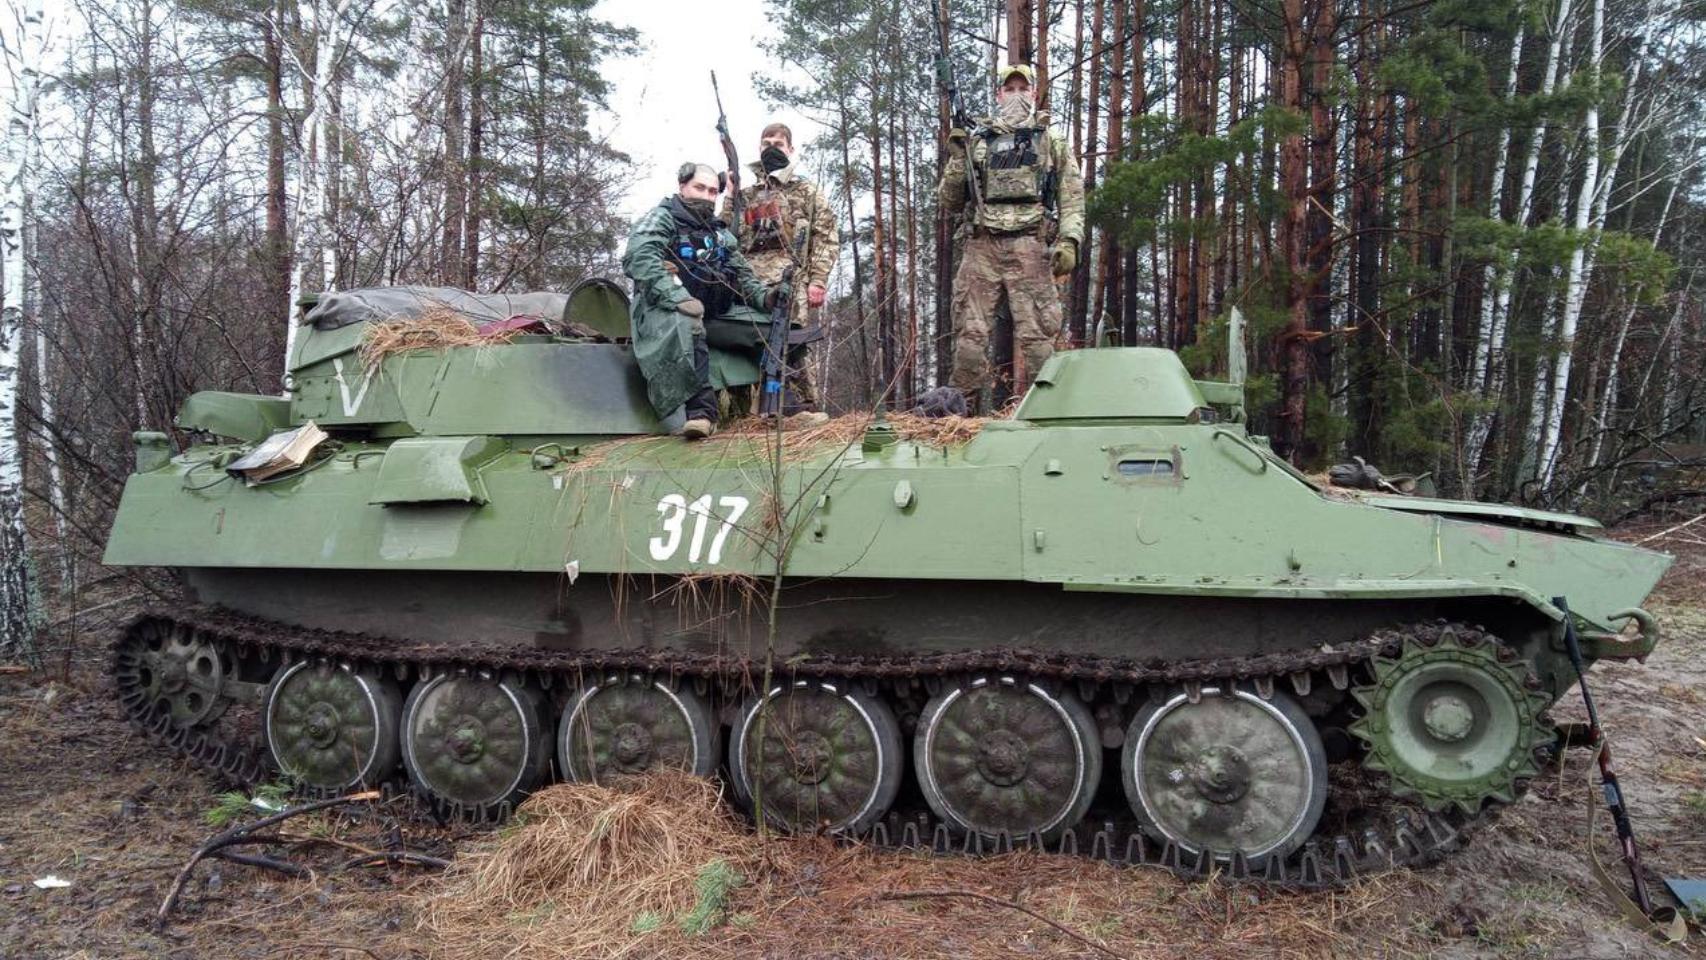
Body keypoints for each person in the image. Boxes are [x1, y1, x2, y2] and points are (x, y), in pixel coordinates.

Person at [938, 63, 1085, 410]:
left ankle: (1047, 414)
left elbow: (1072, 195)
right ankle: (961, 419)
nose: (1016, 95)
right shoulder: (977, 141)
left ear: (1033, 94)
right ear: (998, 94)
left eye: (1023, 89)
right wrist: (958, 159)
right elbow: (949, 200)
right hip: (982, 246)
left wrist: (1069, 241)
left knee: (1038, 337)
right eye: (1010, 89)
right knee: (969, 337)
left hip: (1030, 246)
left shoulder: (1052, 141)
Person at [623, 162, 783, 440]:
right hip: (662, 310)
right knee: (689, 321)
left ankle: (781, 406)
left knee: (776, 328)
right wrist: (677, 297)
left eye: (712, 191)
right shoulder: (662, 218)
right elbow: (640, 257)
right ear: (682, 186)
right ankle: (701, 414)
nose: (706, 196)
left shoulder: (719, 233)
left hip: (714, 310)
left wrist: (765, 298)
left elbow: (743, 273)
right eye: (699, 187)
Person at [718, 122, 838, 419]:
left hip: (791, 283)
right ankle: (741, 415)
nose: (772, 147)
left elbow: (826, 237)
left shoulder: (806, 191)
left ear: (790, 149)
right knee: (746, 346)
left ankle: (802, 410)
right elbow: (724, 234)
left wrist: (818, 281)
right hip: (747, 286)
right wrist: (730, 195)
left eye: (778, 143)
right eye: (766, 142)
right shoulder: (745, 195)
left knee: (791, 348)